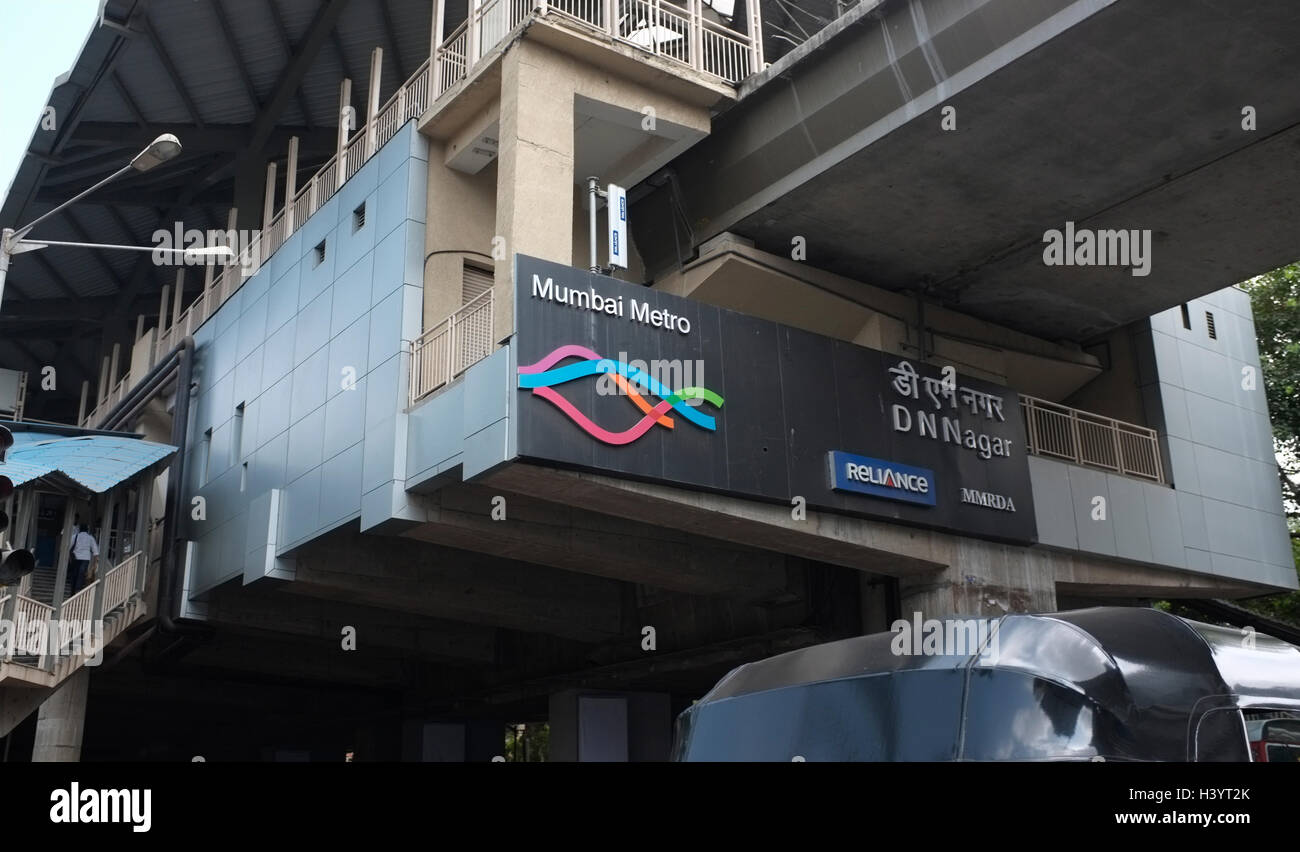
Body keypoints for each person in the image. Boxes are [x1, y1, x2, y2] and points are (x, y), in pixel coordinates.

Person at [69, 523, 100, 594]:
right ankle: (78, 590)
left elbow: (68, 547)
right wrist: (95, 564)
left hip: (75, 558)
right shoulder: (90, 538)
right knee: (81, 574)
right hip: (85, 558)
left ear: (79, 529)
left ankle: (72, 591)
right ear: (87, 530)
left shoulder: (75, 536)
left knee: (74, 574)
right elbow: (96, 552)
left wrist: (70, 559)